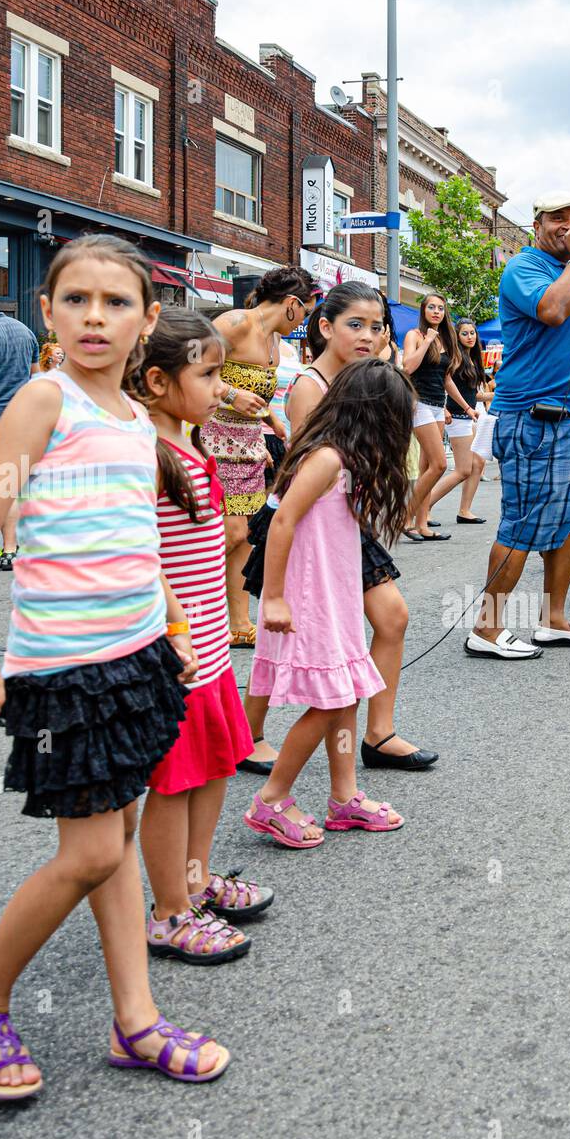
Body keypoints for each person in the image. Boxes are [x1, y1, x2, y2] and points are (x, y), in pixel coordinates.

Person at [0, 233, 228, 1100]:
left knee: (117, 839)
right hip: (63, 675)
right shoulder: (44, 402)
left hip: (137, 662)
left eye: (115, 303)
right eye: (75, 300)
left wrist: (175, 622)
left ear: (146, 320)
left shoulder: (130, 420)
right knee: (87, 853)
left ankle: (136, 1022)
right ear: (46, 312)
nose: (95, 316)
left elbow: (135, 539)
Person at [244, 283, 436, 773]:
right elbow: (307, 479)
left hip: (343, 515)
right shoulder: (312, 385)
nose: (367, 335)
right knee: (284, 635)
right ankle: (249, 735)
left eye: (376, 327)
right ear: (325, 327)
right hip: (306, 521)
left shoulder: (366, 380)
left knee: (391, 618)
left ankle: (379, 734)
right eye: (355, 325)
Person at [134, 308, 271, 963]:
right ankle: (168, 911)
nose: (222, 387)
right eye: (208, 374)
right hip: (176, 647)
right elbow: (142, 556)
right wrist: (170, 630)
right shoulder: (146, 450)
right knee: (174, 780)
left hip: (212, 645)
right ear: (158, 382)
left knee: (214, 763)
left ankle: (195, 877)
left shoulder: (193, 440)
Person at [244, 358, 410, 844]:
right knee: (327, 702)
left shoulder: (349, 460)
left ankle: (344, 799)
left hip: (335, 597)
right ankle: (272, 800)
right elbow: (281, 522)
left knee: (346, 698)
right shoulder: (327, 459)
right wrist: (272, 598)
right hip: (310, 600)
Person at [466, 191, 570, 659]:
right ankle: (485, 630)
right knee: (523, 523)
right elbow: (552, 312)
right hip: (538, 416)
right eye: (559, 218)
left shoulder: (564, 271)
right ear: (537, 225)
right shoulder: (525, 268)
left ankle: (554, 621)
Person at [200, 266, 320, 645]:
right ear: (290, 304)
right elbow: (188, 363)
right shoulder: (235, 323)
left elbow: (254, 389)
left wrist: (269, 417)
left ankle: (238, 625)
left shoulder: (272, 342)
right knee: (231, 532)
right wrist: (233, 396)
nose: (306, 321)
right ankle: (181, 602)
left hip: (250, 443)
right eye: (306, 312)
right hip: (213, 437)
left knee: (246, 535)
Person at [0, 278, 39, 572]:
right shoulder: (24, 331)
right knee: (8, 487)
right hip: (18, 422)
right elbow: (36, 378)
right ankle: (10, 549)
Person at [401, 293, 468, 541]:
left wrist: (464, 407)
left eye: (440, 308)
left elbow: (446, 379)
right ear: (423, 310)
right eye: (431, 307)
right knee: (439, 464)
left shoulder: (447, 341)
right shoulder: (415, 336)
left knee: (428, 466)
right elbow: (407, 367)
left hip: (438, 406)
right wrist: (427, 342)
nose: (436, 312)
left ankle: (422, 524)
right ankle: (404, 518)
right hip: (418, 404)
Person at [429, 318, 492, 523]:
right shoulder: (455, 358)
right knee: (463, 469)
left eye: (472, 333)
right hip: (455, 416)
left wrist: (498, 396)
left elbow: (473, 395)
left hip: (468, 415)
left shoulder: (472, 359)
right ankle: (422, 505)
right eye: (464, 333)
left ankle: (464, 510)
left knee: (478, 462)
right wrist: (445, 408)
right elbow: (442, 383)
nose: (470, 337)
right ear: (457, 336)